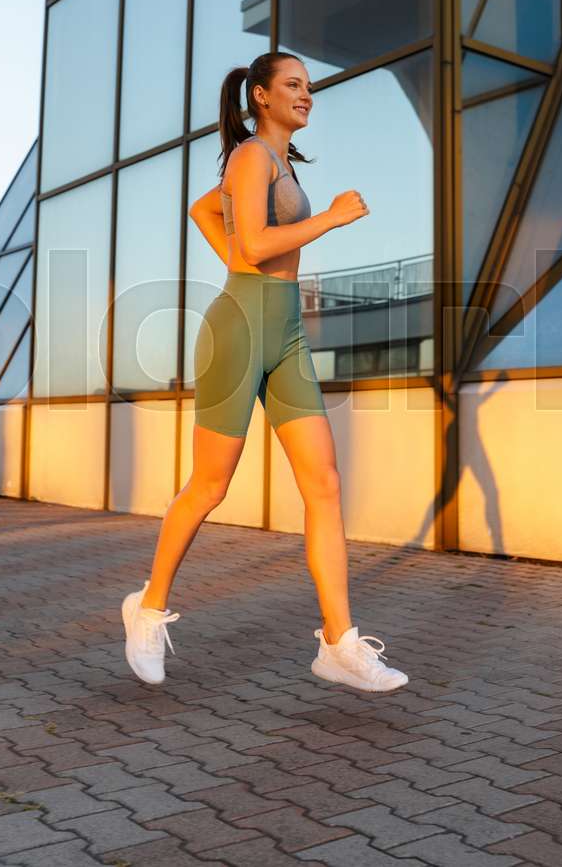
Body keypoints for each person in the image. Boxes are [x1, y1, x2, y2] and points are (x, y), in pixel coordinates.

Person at [120, 52, 408, 694]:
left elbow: (204, 211)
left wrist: (244, 257)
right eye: (293, 85)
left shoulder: (274, 163)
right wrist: (329, 218)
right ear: (261, 95)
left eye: (309, 86)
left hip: (286, 333)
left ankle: (339, 643)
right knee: (209, 486)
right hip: (239, 331)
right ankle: (147, 608)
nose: (307, 94)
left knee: (324, 483)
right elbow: (251, 244)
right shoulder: (252, 157)